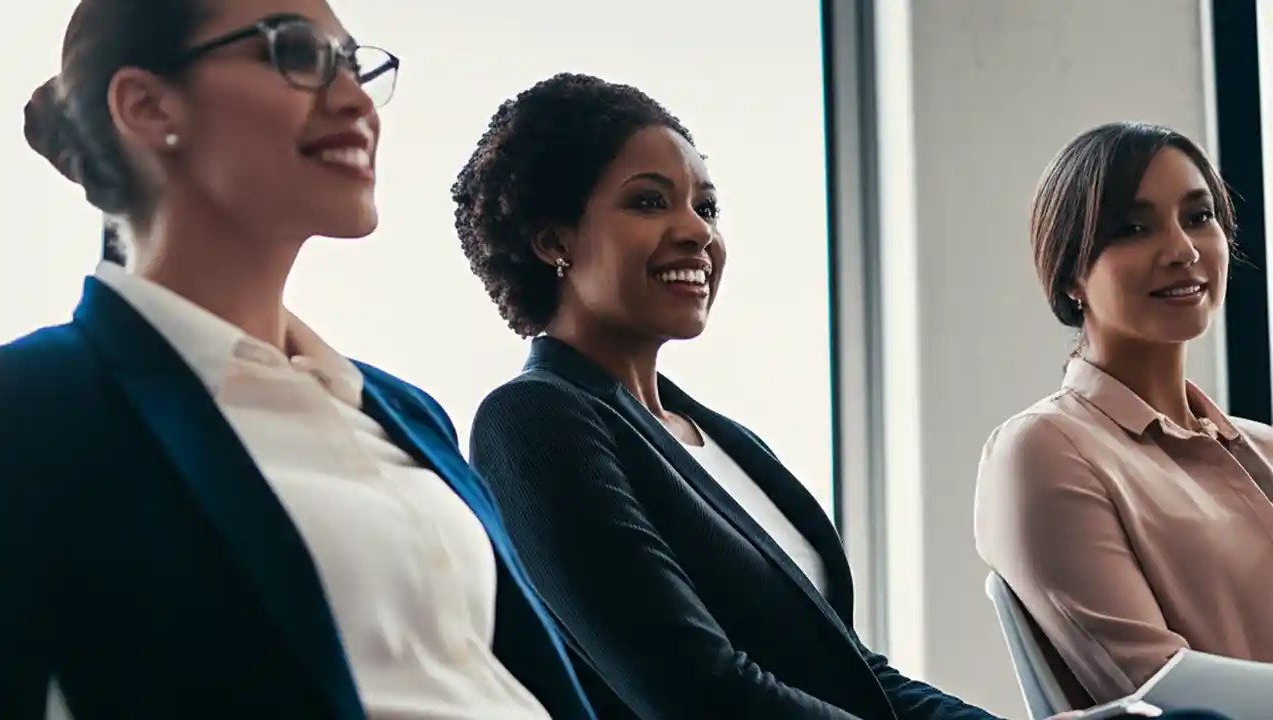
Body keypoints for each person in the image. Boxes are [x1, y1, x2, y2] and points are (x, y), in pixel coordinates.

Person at [456, 71, 1183, 720]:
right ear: (554, 240)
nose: (695, 233)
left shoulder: (723, 441)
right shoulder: (535, 420)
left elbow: (853, 671)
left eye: (706, 206)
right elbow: (694, 689)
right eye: (650, 203)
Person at [0, 2, 595, 718]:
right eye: (298, 53)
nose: (355, 99)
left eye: (355, 64)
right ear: (148, 106)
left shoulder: (405, 409)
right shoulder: (28, 408)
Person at [975, 121, 1273, 705]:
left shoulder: (1263, 446)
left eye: (1199, 216)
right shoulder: (1043, 451)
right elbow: (1158, 694)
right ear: (1070, 274)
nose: (1183, 251)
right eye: (1134, 228)